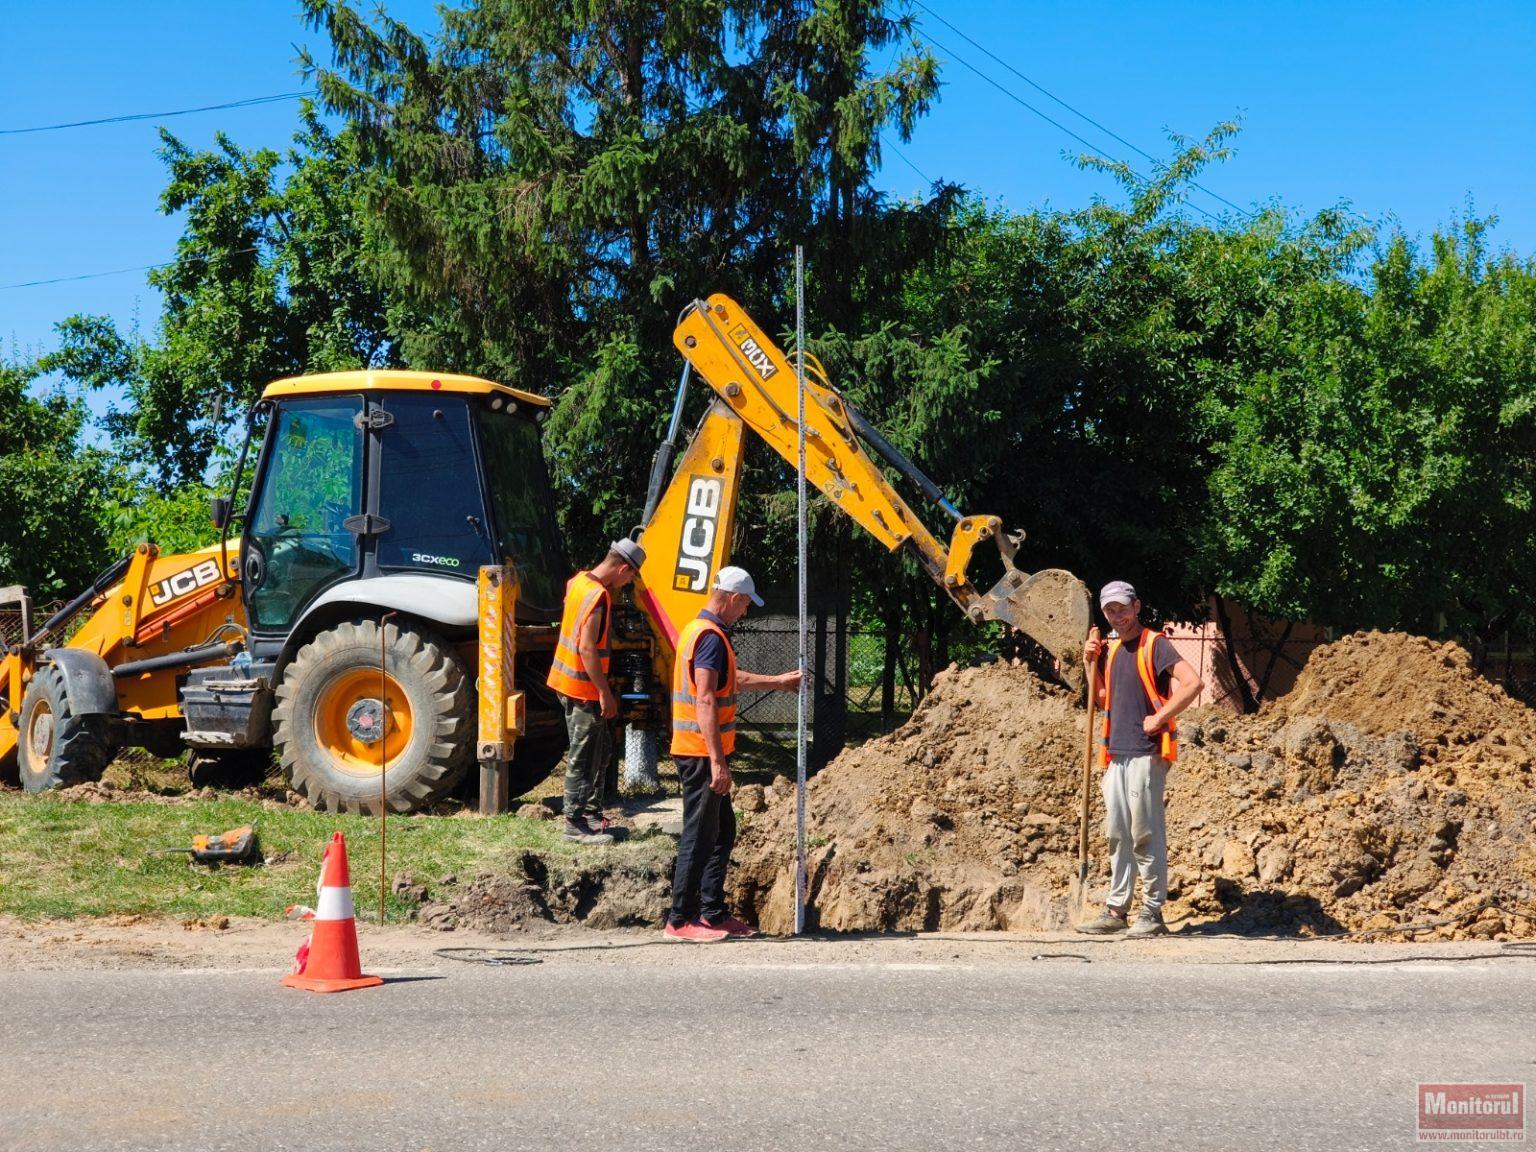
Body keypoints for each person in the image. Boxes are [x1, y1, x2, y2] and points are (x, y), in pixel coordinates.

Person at [664, 566, 801, 942]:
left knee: (723, 832)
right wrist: (717, 762)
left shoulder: (701, 632)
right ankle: (681, 919)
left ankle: (711, 912)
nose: (745, 613)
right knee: (699, 834)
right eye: (745, 606)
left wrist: (777, 683)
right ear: (734, 598)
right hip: (700, 753)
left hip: (701, 751)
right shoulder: (709, 637)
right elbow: (705, 698)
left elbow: (727, 679)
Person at [1077, 580, 1204, 938]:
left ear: (1137, 607)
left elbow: (1193, 683)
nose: (1117, 616)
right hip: (1115, 754)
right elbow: (1102, 700)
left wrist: (1160, 717)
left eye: (1122, 608)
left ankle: (1152, 911)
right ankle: (1117, 910)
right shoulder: (1112, 651)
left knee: (1144, 834)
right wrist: (1090, 662)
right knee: (1117, 834)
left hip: (1146, 753)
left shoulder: (1155, 645)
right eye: (1110, 611)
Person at [546, 539, 646, 845]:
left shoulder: (578, 582)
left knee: (599, 750)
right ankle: (574, 824)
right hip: (582, 687)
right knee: (584, 755)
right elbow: (587, 646)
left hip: (569, 681)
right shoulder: (598, 596)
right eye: (631, 577)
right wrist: (605, 692)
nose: (629, 583)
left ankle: (590, 814)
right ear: (623, 568)